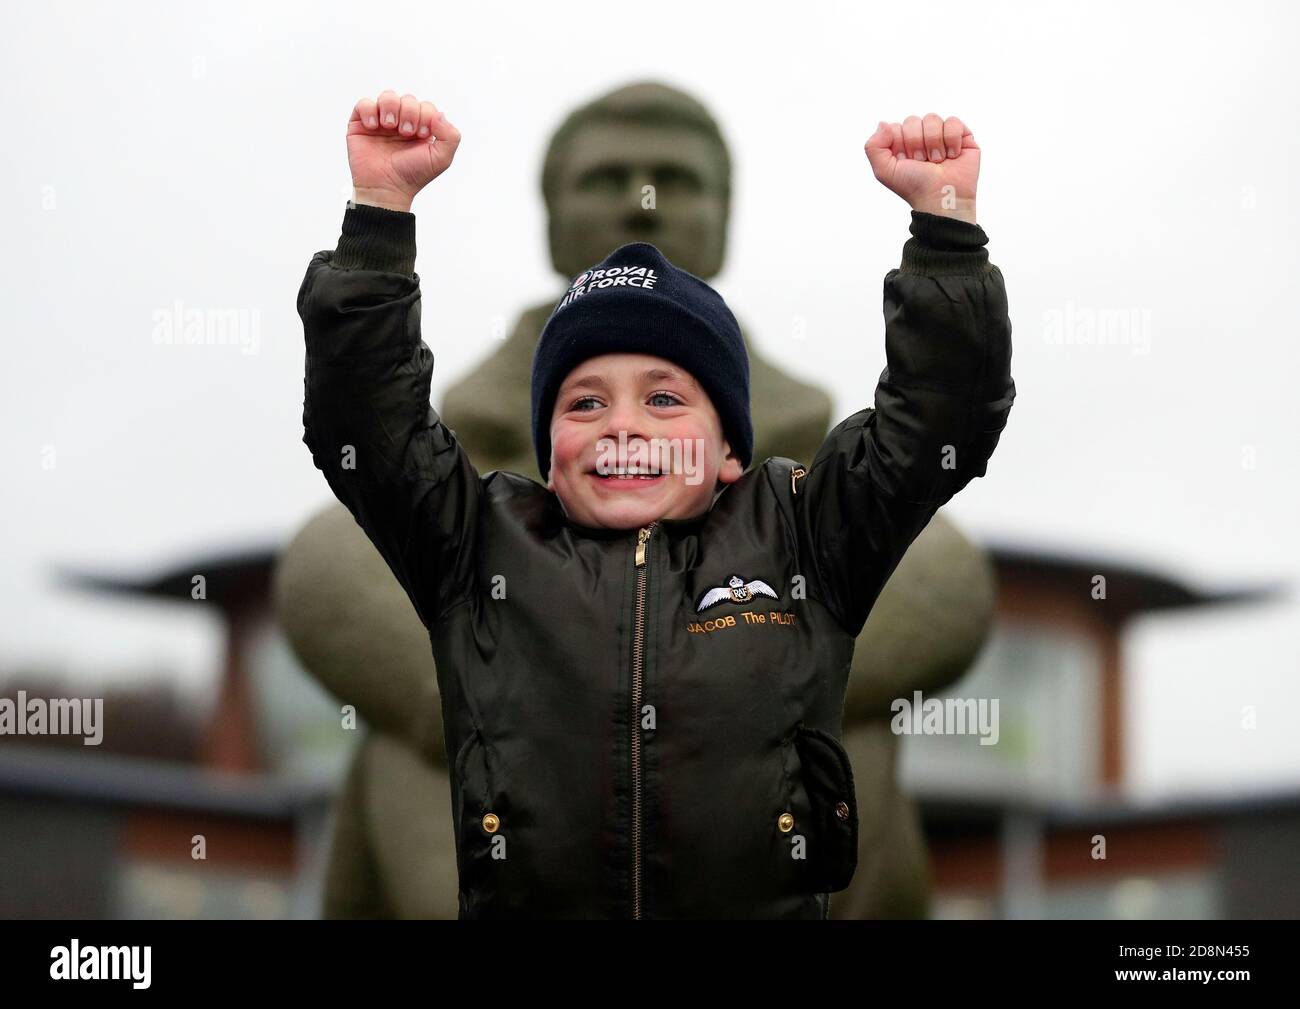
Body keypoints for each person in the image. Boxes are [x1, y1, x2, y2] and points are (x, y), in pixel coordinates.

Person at [297, 89, 1015, 919]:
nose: (625, 426)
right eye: (585, 403)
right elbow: (365, 425)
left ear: (733, 448)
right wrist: (381, 215)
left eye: (667, 399)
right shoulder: (481, 543)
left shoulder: (803, 536)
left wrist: (947, 230)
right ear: (546, 448)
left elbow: (938, 422)